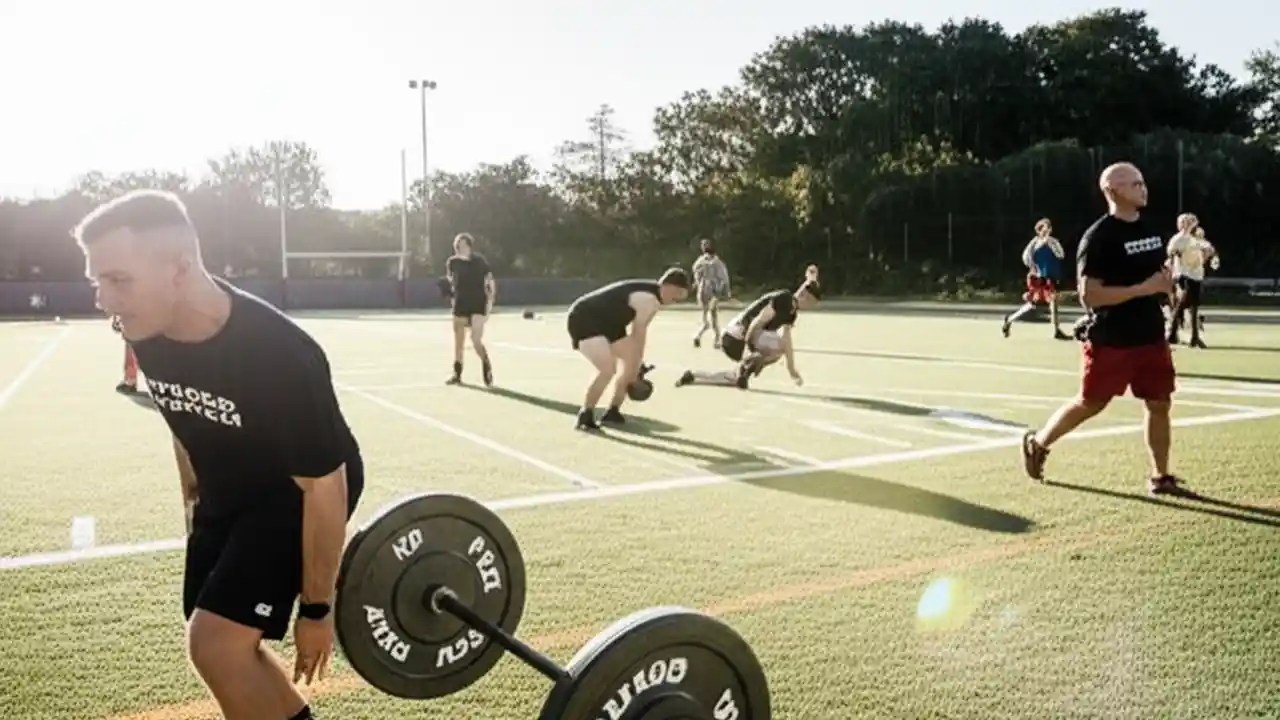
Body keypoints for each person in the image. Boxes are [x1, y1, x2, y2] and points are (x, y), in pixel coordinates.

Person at [73, 189, 364, 720]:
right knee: (216, 646)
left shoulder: (278, 355)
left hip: (295, 491)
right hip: (228, 488)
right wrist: (193, 503)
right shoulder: (148, 330)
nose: (102, 300)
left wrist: (316, 610)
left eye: (117, 280)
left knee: (216, 643)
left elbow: (326, 486)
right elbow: (183, 420)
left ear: (179, 270)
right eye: (98, 281)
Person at [1019, 162, 1183, 496]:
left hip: (1150, 335)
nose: (1143, 187)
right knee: (1091, 402)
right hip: (1112, 338)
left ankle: (1161, 476)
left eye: (1142, 181)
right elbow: (1089, 295)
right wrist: (1144, 289)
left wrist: (1167, 290)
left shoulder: (1152, 230)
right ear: (1112, 191)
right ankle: (1038, 442)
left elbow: (1159, 276)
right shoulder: (1098, 237)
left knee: (1159, 402)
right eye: (1134, 183)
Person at [566, 268, 690, 430]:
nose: (676, 300)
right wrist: (638, 365)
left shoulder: (656, 299)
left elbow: (637, 336)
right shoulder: (647, 299)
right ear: (667, 285)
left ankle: (613, 410)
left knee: (631, 360)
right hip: (584, 319)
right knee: (607, 369)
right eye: (677, 294)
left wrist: (636, 366)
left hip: (610, 325)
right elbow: (639, 334)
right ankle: (586, 414)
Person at [676, 265, 822, 390]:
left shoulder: (791, 311)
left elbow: (787, 339)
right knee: (778, 347)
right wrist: (748, 349)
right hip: (736, 336)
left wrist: (791, 369)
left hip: (737, 339)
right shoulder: (784, 299)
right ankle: (746, 368)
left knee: (734, 378)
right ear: (806, 297)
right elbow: (757, 322)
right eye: (811, 303)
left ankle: (694, 375)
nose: (810, 308)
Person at [1001, 219, 1071, 340]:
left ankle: (1010, 319)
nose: (1047, 230)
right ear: (1038, 230)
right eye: (1044, 228)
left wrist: (1051, 244)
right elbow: (1026, 258)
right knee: (1042, 303)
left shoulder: (1053, 242)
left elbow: (1061, 255)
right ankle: (1055, 330)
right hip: (1039, 278)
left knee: (1048, 303)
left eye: (1049, 228)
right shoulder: (1034, 244)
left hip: (1049, 277)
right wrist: (1034, 270)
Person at [444, 232, 496, 385]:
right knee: (458, 341)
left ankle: (486, 364)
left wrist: (490, 305)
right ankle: (457, 373)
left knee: (475, 339)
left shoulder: (479, 261)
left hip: (478, 303)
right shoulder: (452, 262)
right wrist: (451, 297)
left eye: (464, 245)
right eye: (458, 246)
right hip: (460, 304)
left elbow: (490, 282)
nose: (460, 248)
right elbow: (451, 282)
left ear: (470, 246)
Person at [1166, 217, 1217, 348]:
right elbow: (1171, 253)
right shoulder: (1178, 239)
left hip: (1196, 275)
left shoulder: (1195, 239)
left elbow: (1208, 250)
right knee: (1184, 299)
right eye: (1187, 222)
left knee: (1194, 305)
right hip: (1182, 273)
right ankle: (1172, 328)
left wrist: (1209, 256)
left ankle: (1194, 336)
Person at [691, 238, 731, 349]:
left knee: (712, 315)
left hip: (713, 291)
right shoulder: (701, 261)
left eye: (706, 245)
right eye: (703, 245)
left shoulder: (716, 262)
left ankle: (715, 339)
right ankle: (702, 336)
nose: (704, 247)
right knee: (707, 317)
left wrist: (725, 290)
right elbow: (696, 273)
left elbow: (723, 277)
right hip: (704, 291)